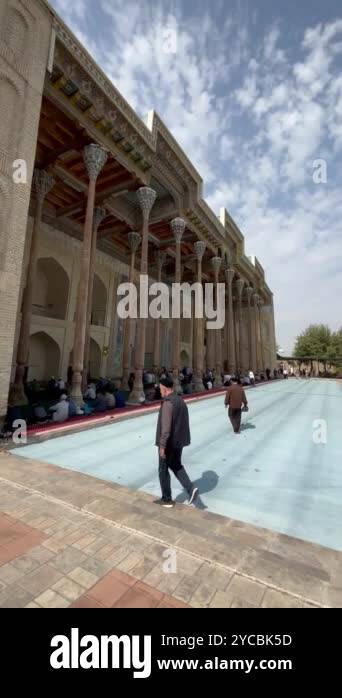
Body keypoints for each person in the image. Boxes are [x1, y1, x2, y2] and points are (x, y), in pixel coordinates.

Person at [155, 376, 198, 508]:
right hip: (178, 442)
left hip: (169, 443)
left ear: (163, 388)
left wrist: (162, 446)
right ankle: (191, 489)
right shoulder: (180, 400)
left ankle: (166, 499)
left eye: (160, 388)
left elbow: (166, 428)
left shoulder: (168, 403)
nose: (159, 391)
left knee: (163, 469)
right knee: (176, 465)